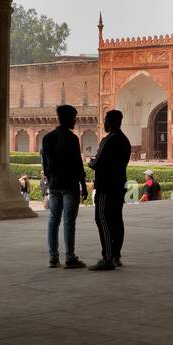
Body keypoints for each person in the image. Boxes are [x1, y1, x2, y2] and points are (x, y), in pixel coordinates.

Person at [41, 104, 89, 269]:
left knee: (53, 221)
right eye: (73, 118)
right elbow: (77, 164)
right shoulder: (72, 138)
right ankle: (70, 257)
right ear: (66, 118)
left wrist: (51, 179)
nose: (75, 121)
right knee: (69, 221)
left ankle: (53, 258)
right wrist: (83, 184)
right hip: (70, 185)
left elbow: (45, 166)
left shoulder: (47, 138)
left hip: (54, 185)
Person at [88, 108, 131, 271]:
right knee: (116, 220)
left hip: (106, 186)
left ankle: (107, 257)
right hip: (119, 185)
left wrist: (90, 163)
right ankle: (116, 255)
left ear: (111, 122)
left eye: (106, 120)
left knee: (103, 219)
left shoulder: (109, 140)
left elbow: (97, 163)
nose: (104, 123)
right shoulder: (124, 140)